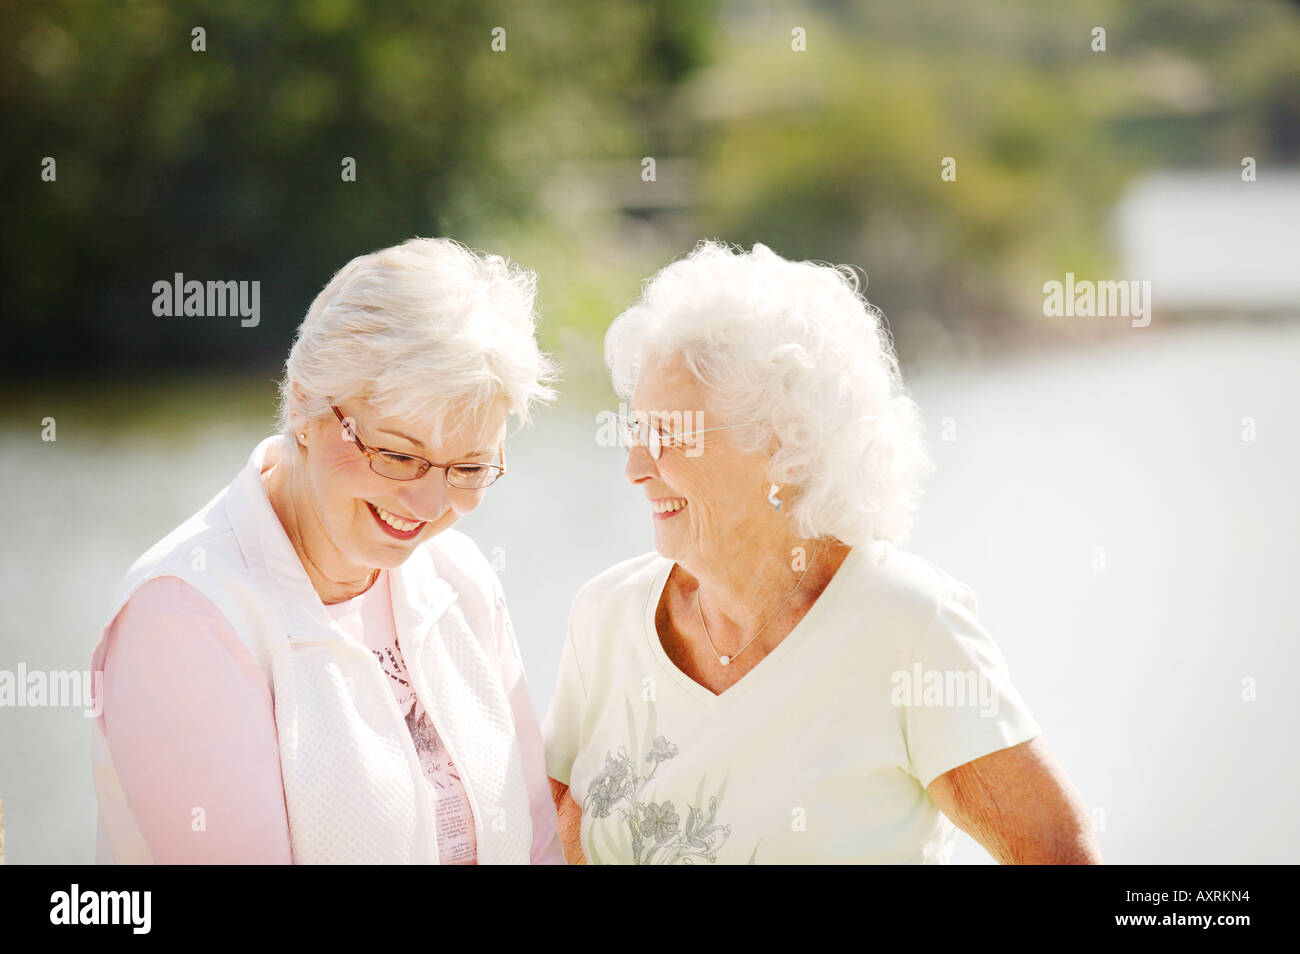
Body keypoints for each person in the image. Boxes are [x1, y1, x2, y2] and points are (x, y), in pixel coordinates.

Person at [543, 241, 1101, 864]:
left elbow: (1057, 853)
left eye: (669, 435)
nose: (635, 468)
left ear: (785, 448)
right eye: (636, 432)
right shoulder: (605, 617)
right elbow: (551, 828)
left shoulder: (907, 623)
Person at [90, 237, 564, 864]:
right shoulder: (185, 614)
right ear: (305, 404)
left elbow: (538, 843)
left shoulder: (463, 578)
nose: (427, 506)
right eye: (397, 455)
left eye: (470, 468)